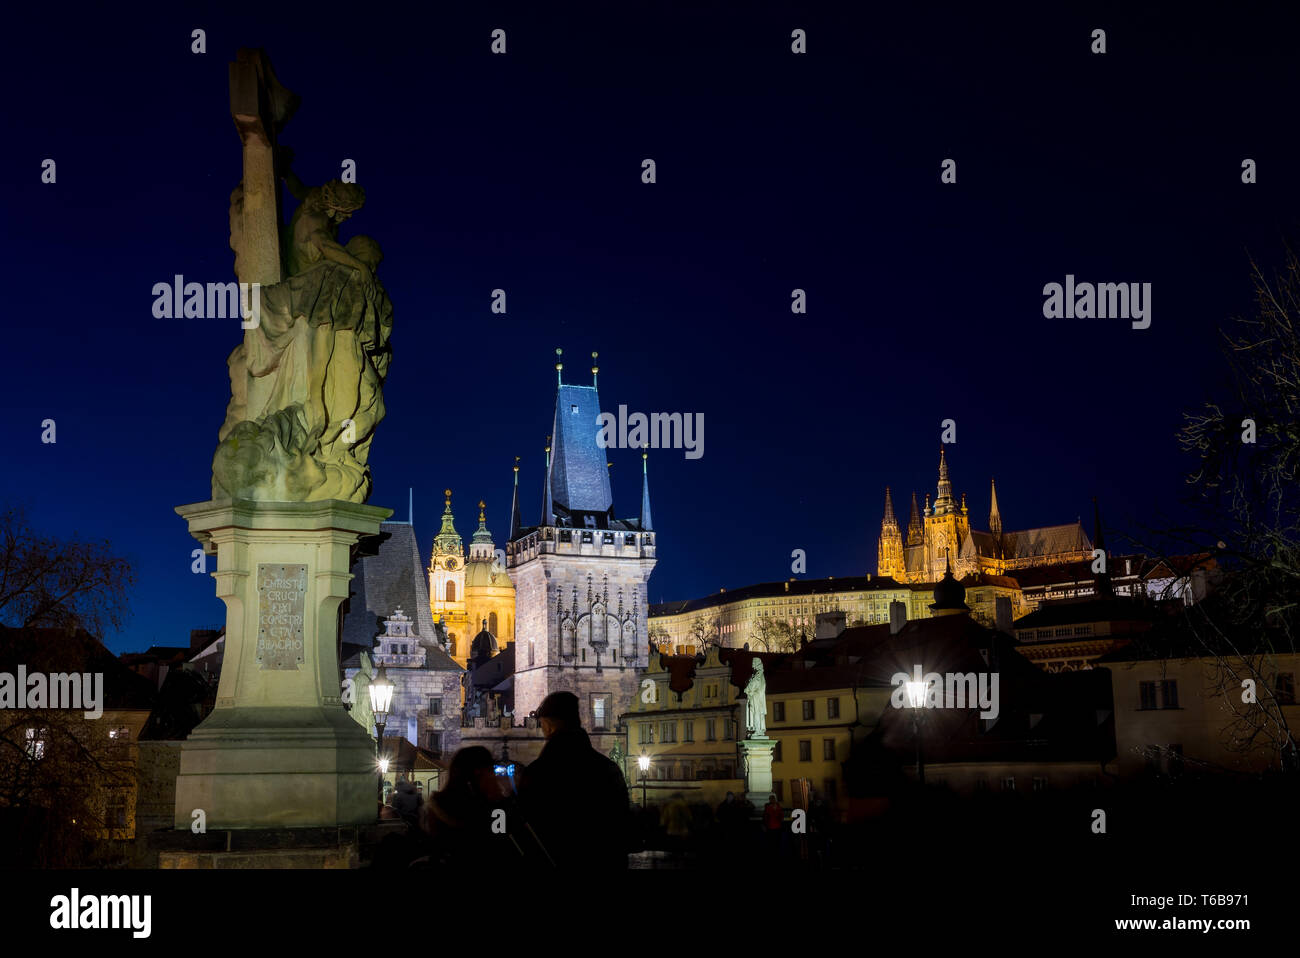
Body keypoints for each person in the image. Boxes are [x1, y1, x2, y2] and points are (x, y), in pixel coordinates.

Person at [516, 691, 630, 869]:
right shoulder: (608, 768)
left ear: (547, 725)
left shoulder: (539, 772)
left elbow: (526, 827)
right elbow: (622, 827)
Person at [419, 746, 514, 869]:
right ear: (479, 773)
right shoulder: (495, 810)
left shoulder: (436, 807)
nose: (494, 777)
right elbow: (500, 845)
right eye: (491, 771)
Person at [763, 793, 784, 860]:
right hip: (773, 827)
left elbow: (781, 816)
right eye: (771, 799)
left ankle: (774, 855)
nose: (772, 800)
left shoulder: (773, 807)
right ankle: (774, 855)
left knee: (775, 843)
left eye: (773, 799)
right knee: (773, 843)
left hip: (774, 827)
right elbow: (766, 817)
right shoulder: (770, 807)